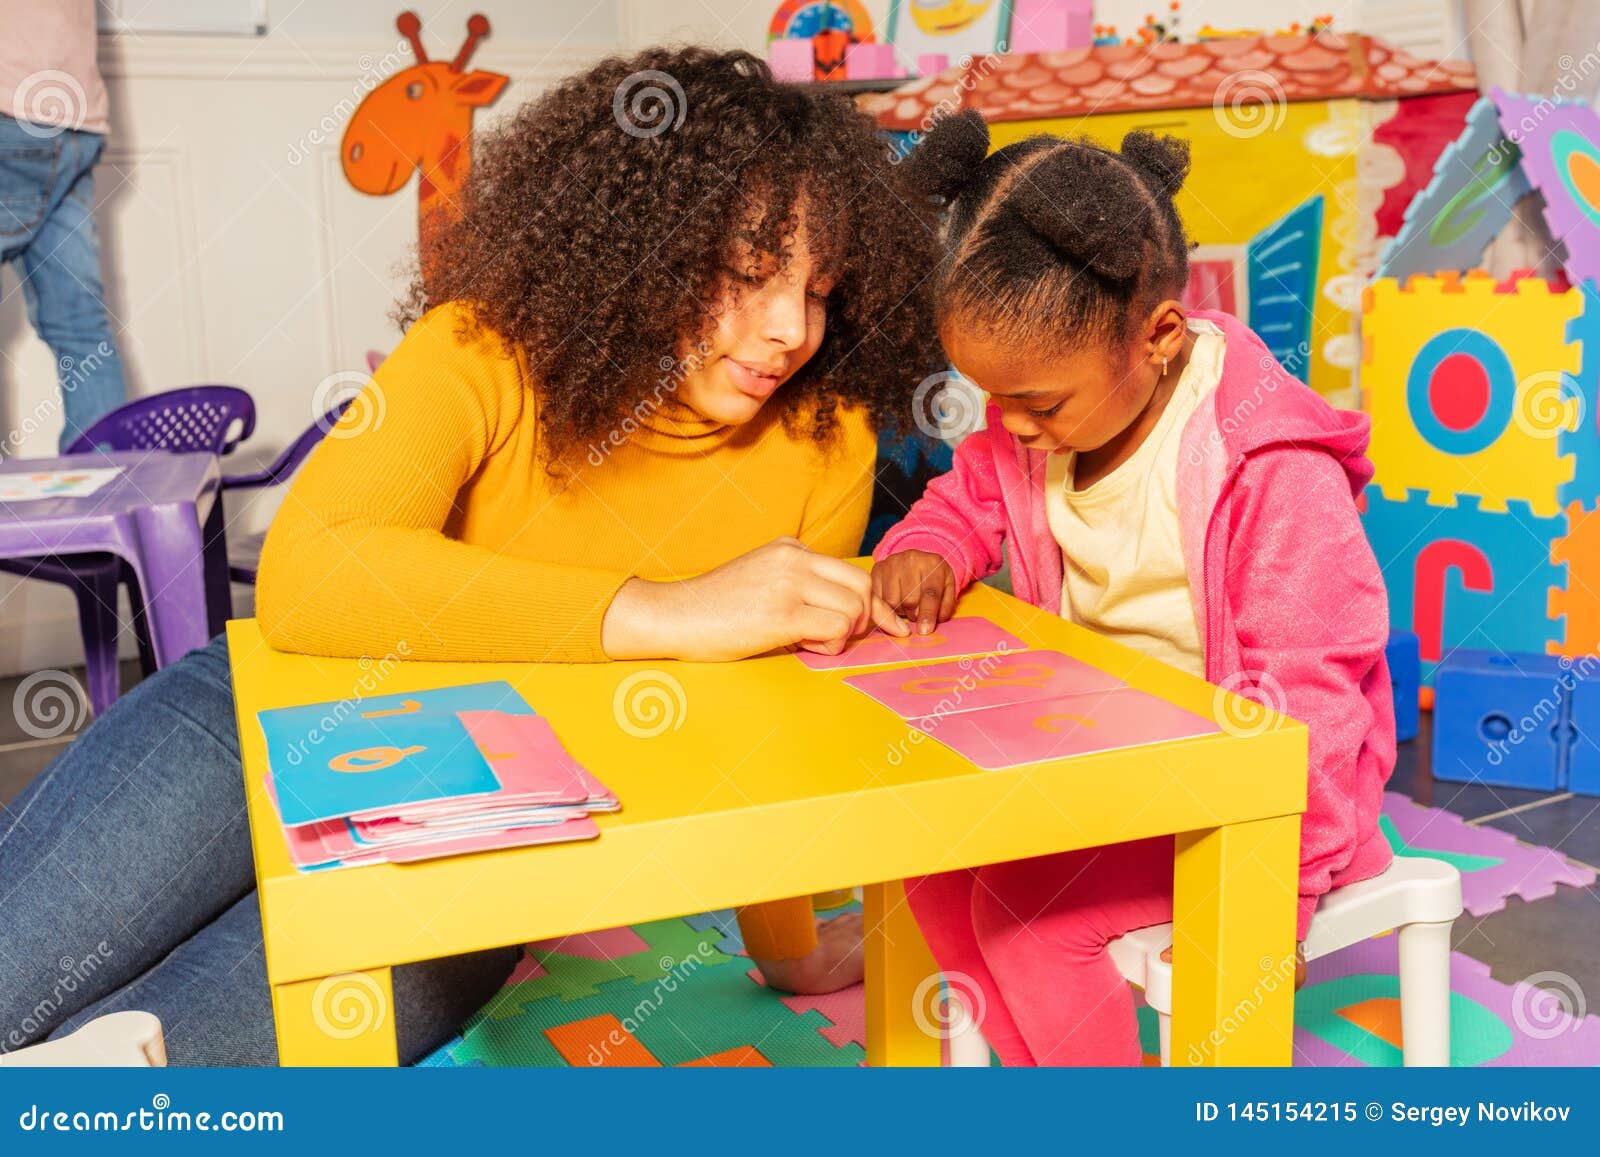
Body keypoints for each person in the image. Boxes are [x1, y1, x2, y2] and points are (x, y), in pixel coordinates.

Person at [0, 47, 941, 1065]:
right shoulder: (480, 347)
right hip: (259, 729)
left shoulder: (828, 439)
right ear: (640, 249)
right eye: (750, 277)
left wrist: (789, 956)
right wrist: (664, 609)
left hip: (477, 844)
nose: (790, 328)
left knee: (112, 1084)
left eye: (819, 288)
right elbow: (311, 573)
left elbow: (759, 729)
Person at [870, 111, 1396, 1066]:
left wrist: (1279, 878)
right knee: (931, 865)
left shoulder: (1270, 466)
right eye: (997, 400)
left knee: (1028, 922)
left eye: (1039, 403)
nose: (1015, 428)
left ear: (1156, 337)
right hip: (1101, 767)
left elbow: (1314, 687)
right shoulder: (1035, 438)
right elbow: (967, 495)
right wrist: (930, 544)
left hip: (1251, 803)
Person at [0, 0, 128, 446]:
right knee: (81, 330)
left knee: (82, 331)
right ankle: (105, 505)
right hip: (76, 120)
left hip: (9, 107)